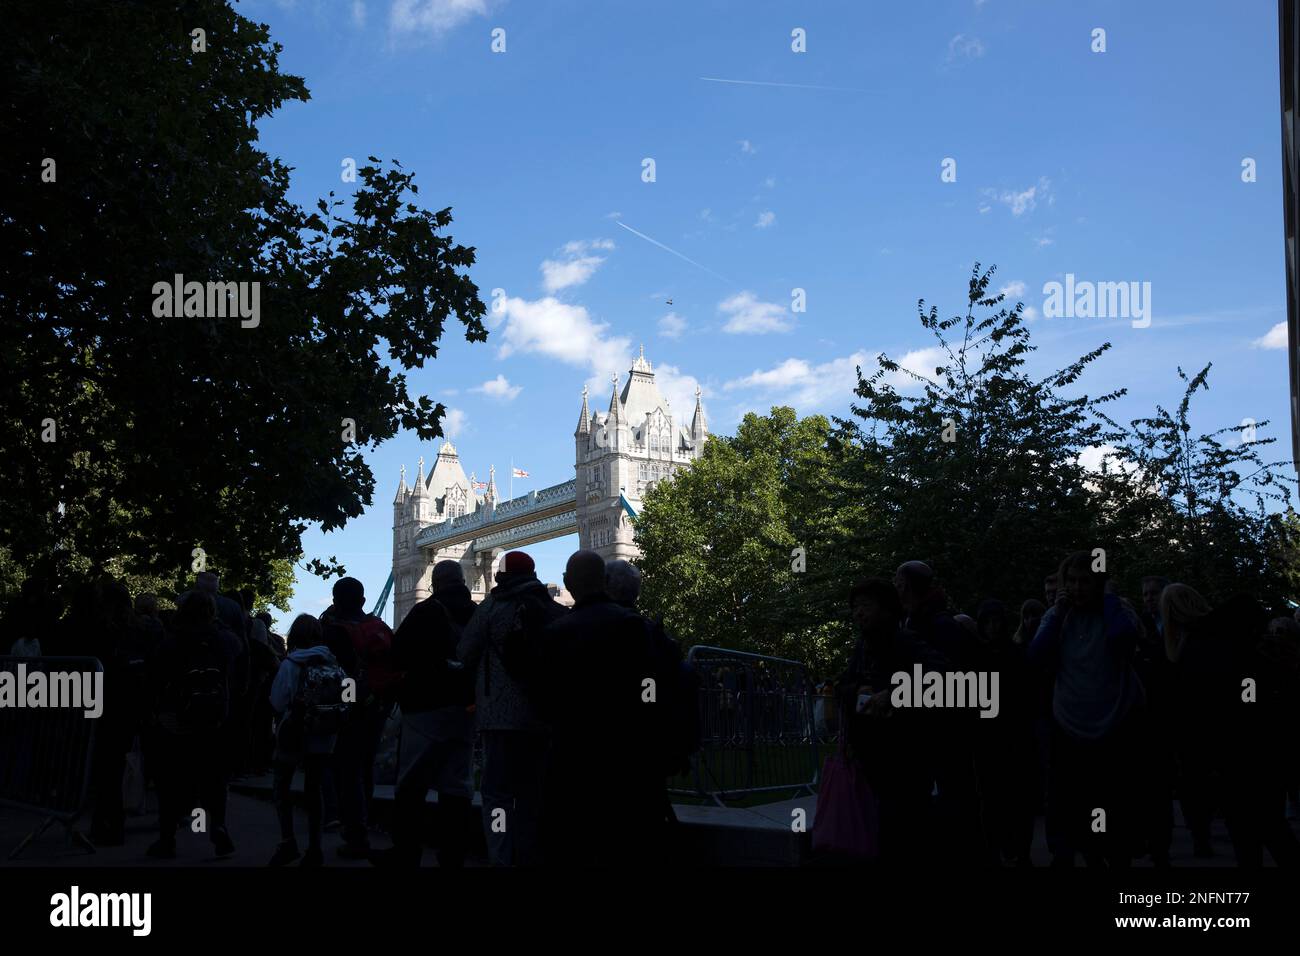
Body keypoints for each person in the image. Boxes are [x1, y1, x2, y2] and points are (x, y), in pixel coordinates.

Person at [532, 551, 662, 866]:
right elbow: (650, 691)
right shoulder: (632, 625)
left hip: (570, 754)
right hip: (624, 752)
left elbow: (542, 700)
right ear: (604, 581)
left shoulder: (554, 634)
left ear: (567, 583)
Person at [1162, 585, 1298, 866]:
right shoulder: (1230, 632)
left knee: (1250, 834)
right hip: (1261, 744)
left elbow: (1198, 714)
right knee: (1270, 827)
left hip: (1233, 753)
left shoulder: (1193, 649)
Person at [1028, 551, 1146, 867]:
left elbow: (1123, 639)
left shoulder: (1118, 611)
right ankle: (1081, 854)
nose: (1079, 588)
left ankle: (1115, 854)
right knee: (1074, 806)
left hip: (1115, 725)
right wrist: (1058, 610)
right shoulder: (1057, 616)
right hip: (1069, 725)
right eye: (1073, 582)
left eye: (1086, 582)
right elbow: (1036, 656)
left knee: (1114, 806)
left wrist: (1109, 600)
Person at [457, 550, 565, 865]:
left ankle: (500, 854)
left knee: (497, 796)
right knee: (532, 794)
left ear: (502, 575)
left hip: (500, 719)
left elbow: (464, 654)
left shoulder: (492, 607)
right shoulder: (554, 610)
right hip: (542, 715)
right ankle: (527, 853)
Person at [372, 560, 478, 868]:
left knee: (411, 784)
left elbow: (398, 654)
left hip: (424, 709)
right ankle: (453, 855)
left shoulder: (424, 611)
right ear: (462, 580)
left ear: (436, 582)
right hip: (465, 708)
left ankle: (406, 852)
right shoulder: (477, 613)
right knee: (457, 785)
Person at [836, 576, 940, 865]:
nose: (858, 613)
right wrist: (858, 690)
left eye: (865, 605)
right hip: (871, 761)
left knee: (904, 833)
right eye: (855, 606)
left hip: (906, 761)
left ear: (887, 609)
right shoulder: (862, 648)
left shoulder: (907, 643)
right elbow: (842, 686)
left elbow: (941, 678)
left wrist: (894, 695)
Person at [146, 590, 241, 859]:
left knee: (171, 780)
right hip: (213, 719)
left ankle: (167, 838)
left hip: (177, 718)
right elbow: (237, 651)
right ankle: (218, 827)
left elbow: (155, 678)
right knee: (214, 777)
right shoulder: (223, 640)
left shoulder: (172, 640)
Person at [321, 576, 397, 859]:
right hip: (377, 706)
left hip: (347, 710)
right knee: (365, 767)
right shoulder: (380, 627)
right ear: (364, 601)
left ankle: (356, 835)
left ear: (335, 600)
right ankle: (363, 823)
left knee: (346, 771)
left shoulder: (334, 631)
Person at [268, 614, 344, 867]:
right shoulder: (334, 663)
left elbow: (277, 701)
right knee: (315, 790)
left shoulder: (291, 664)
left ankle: (288, 842)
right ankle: (315, 848)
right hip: (325, 733)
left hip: (295, 732)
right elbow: (348, 697)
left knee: (282, 787)